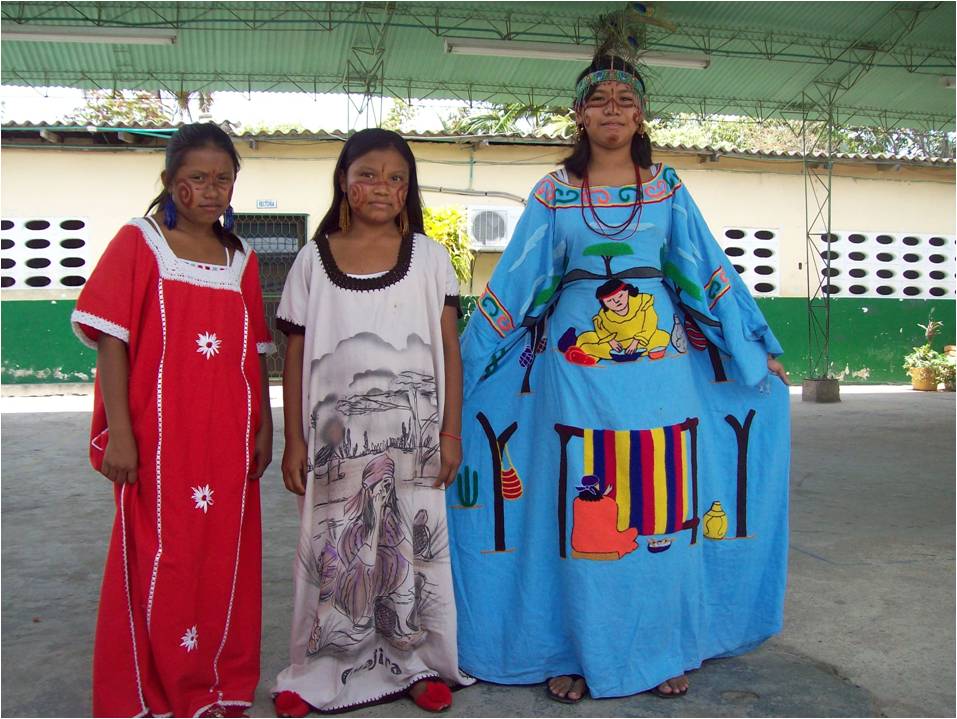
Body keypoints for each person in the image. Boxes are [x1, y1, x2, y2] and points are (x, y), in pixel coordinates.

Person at [446, 54, 791, 704]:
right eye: (597, 99)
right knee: (578, 504)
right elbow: (517, 282)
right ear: (577, 114)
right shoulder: (554, 193)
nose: (610, 108)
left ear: (640, 114)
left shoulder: (666, 189)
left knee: (661, 511)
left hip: (661, 379)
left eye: (623, 98)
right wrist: (464, 361)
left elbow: (707, 268)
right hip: (571, 375)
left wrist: (754, 347)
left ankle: (660, 648)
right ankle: (572, 648)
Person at [71, 123, 274, 717]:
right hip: (159, 440)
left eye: (223, 179)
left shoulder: (242, 260)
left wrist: (263, 426)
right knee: (163, 556)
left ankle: (210, 682)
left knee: (220, 560)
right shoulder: (139, 242)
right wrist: (123, 436)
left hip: (227, 437)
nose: (210, 192)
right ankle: (153, 688)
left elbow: (255, 355)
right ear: (170, 182)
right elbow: (112, 340)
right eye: (196, 179)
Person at [272, 128, 474, 716]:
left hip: (416, 448)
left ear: (408, 189)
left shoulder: (432, 260)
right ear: (343, 181)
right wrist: (294, 439)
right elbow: (292, 352)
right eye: (367, 174)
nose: (380, 187)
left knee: (408, 548)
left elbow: (449, 350)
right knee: (333, 548)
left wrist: (450, 433)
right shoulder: (312, 260)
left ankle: (415, 662)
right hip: (332, 450)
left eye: (395, 178)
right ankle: (320, 671)